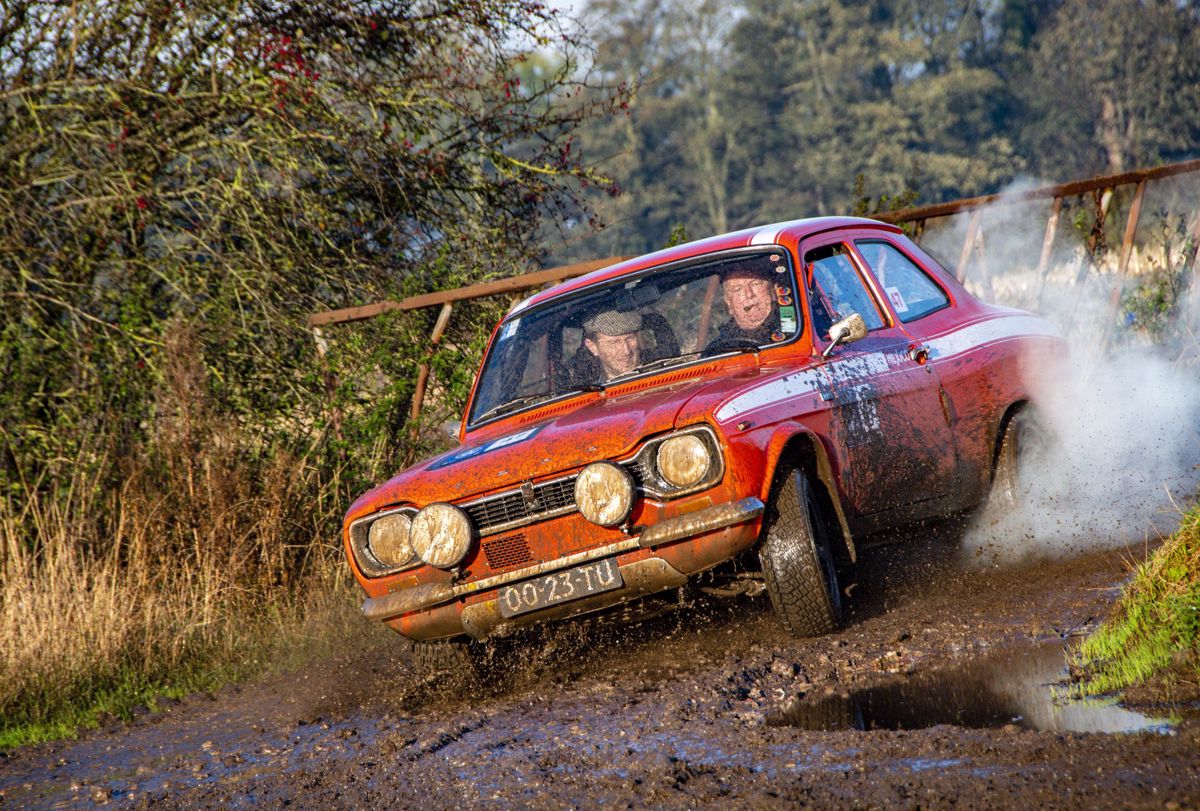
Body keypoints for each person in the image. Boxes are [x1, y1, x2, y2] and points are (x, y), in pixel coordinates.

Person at [707, 262, 781, 350]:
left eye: (755, 284)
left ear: (773, 289)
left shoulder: (791, 327)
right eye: (738, 289)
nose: (749, 294)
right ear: (728, 302)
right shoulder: (718, 349)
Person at [579, 308, 642, 381]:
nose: (626, 351)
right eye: (614, 342)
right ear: (592, 347)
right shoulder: (589, 387)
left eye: (630, 338)